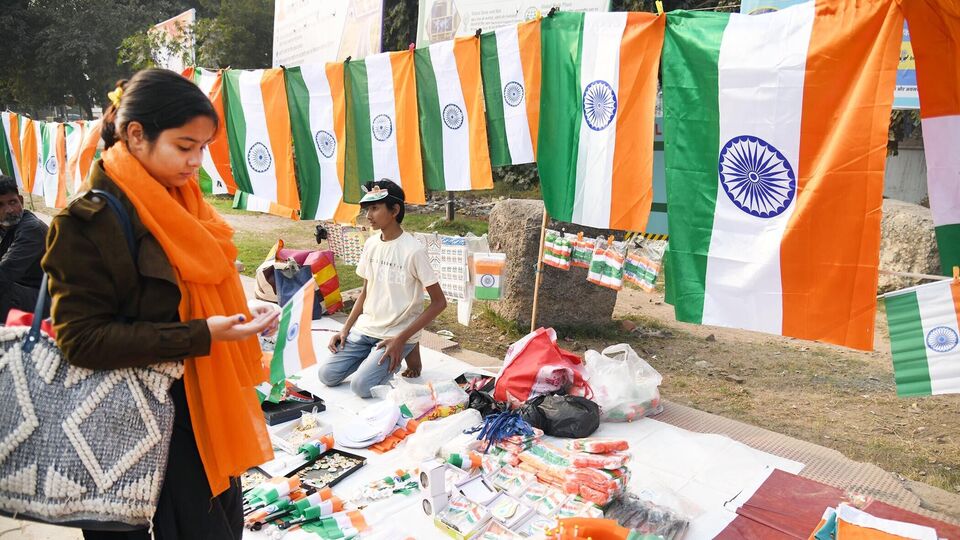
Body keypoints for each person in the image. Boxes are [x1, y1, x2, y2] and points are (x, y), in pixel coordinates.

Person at [42, 69, 280, 539]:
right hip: (131, 427)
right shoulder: (87, 223)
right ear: (136, 135)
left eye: (203, 147)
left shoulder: (186, 204)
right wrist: (201, 333)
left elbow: (199, 289)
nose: (196, 162)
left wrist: (231, 315)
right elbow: (81, 340)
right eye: (184, 146)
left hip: (200, 417)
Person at [319, 179, 447, 397]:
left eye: (375, 208)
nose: (369, 215)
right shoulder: (371, 244)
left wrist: (401, 339)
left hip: (395, 333)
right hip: (366, 329)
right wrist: (345, 329)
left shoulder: (413, 251)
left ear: (394, 210)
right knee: (326, 376)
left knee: (360, 387)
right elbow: (365, 292)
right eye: (368, 209)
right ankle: (382, 355)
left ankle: (408, 344)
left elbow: (439, 302)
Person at [0, 175, 48, 321]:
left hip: (49, 300)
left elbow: (5, 273)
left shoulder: (32, 229)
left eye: (13, 202)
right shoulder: (5, 227)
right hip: (26, 293)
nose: (9, 210)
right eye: (0, 205)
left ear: (21, 200)